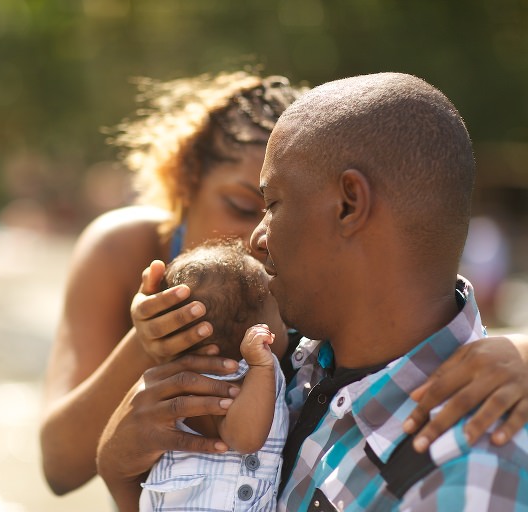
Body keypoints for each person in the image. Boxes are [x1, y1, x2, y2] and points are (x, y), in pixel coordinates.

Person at [39, 70, 528, 496]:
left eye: (270, 206)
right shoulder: (126, 248)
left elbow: (403, 308)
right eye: (241, 205)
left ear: (346, 207)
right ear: (184, 188)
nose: (253, 240)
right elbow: (62, 466)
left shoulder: (301, 315)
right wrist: (156, 337)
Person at [141, 239, 288, 511]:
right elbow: (245, 440)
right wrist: (261, 367)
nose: (286, 325)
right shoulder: (229, 379)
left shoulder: (180, 377)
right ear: (253, 332)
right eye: (279, 314)